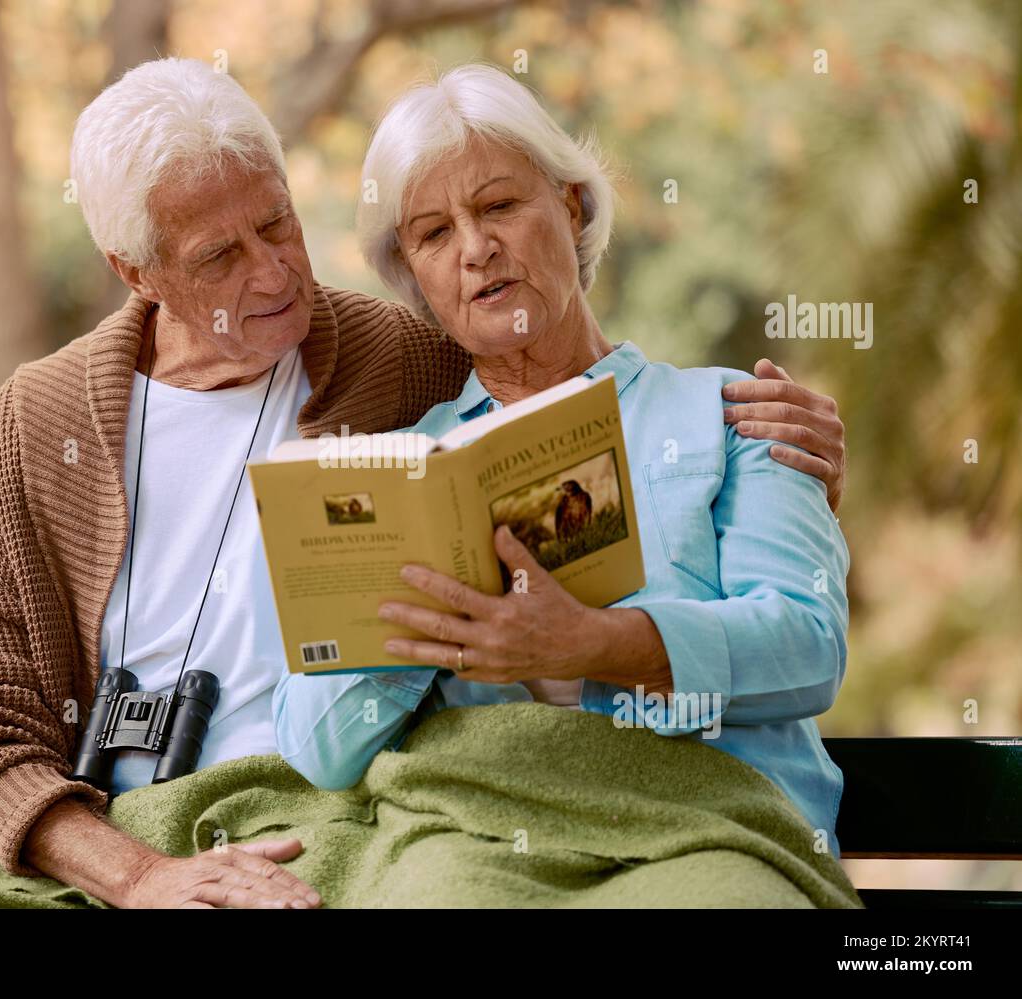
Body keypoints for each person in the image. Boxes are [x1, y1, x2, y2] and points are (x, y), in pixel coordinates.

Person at [0, 57, 847, 909]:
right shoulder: (36, 424)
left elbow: (579, 377)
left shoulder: (416, 364)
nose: (276, 272)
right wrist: (137, 874)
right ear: (136, 272)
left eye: (277, 223)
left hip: (356, 829)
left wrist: (783, 462)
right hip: (134, 836)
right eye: (220, 256)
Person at [273, 64, 853, 874]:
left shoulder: (732, 414)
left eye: (500, 205)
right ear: (415, 277)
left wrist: (591, 642)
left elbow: (808, 645)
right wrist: (421, 628)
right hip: (481, 836)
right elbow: (316, 751)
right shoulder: (402, 470)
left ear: (571, 206)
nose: (476, 249)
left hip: (709, 829)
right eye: (434, 233)